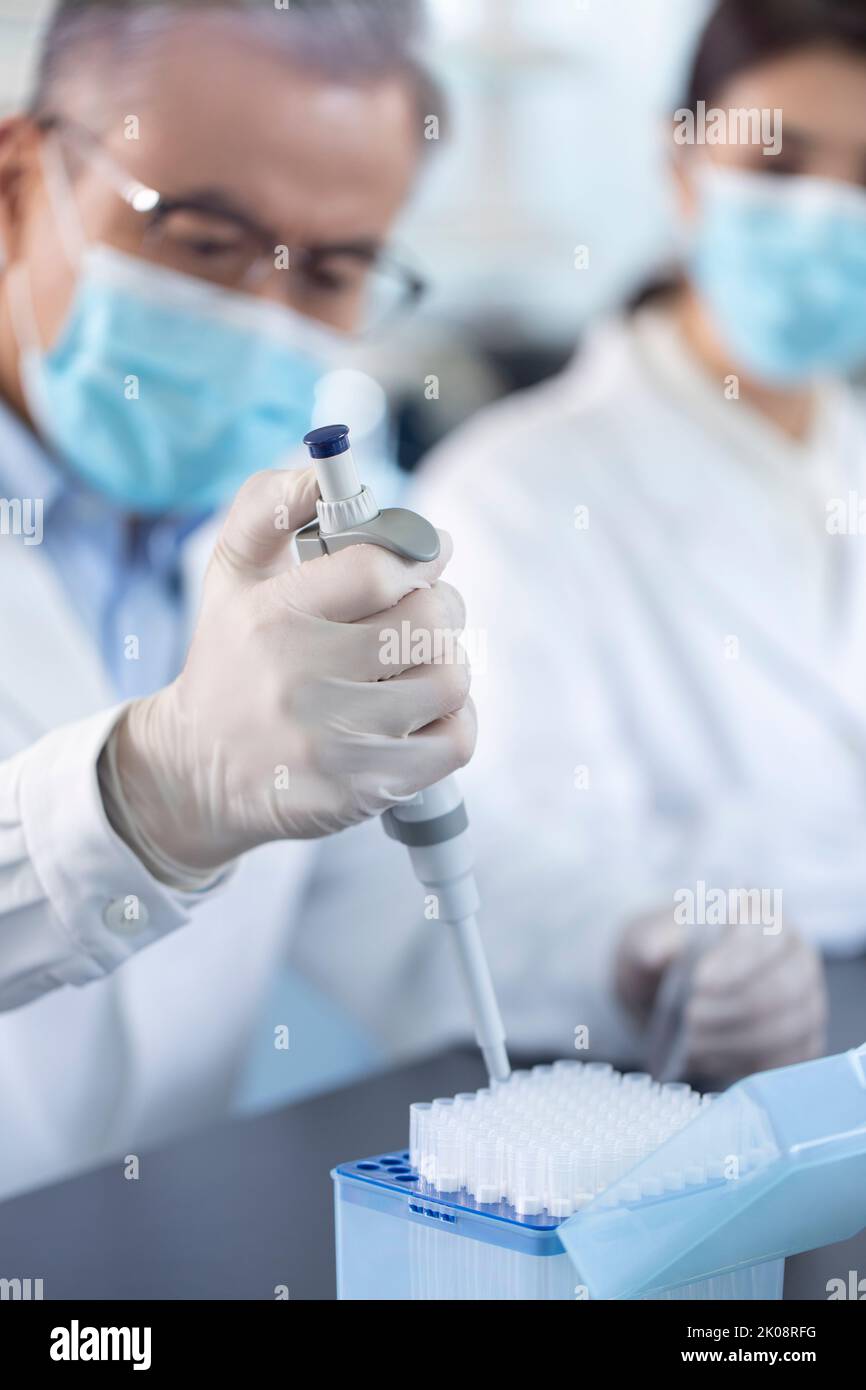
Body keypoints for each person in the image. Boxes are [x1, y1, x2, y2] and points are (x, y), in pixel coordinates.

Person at [324, 0, 866, 1084]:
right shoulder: (512, 496)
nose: (824, 215)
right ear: (682, 169)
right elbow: (530, 894)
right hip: (672, 1101)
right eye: (777, 166)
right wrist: (683, 947)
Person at [0, 0, 475, 1199]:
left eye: (328, 271)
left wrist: (623, 960)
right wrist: (144, 795)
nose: (261, 315)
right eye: (205, 243)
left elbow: (386, 896)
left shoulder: (291, 524)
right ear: (16, 185)